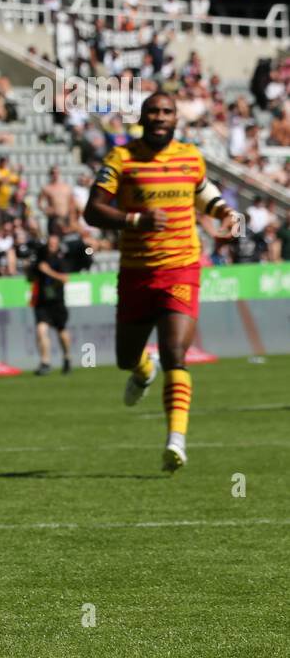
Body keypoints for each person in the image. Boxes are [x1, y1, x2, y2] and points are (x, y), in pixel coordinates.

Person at [84, 91, 239, 472]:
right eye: (153, 111)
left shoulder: (190, 156)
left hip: (182, 267)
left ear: (175, 119)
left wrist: (224, 212)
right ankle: (142, 369)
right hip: (137, 272)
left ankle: (176, 440)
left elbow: (201, 193)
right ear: (143, 116)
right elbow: (93, 211)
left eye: (167, 111)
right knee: (124, 359)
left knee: (175, 352)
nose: (159, 117)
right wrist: (136, 220)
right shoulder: (121, 158)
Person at [31, 232, 72, 376]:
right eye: (49, 244)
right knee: (41, 330)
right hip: (42, 302)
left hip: (57, 302)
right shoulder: (40, 259)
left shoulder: (61, 260)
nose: (51, 247)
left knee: (62, 331)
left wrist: (48, 272)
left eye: (54, 244)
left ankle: (67, 357)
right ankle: (45, 362)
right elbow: (31, 278)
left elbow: (65, 279)